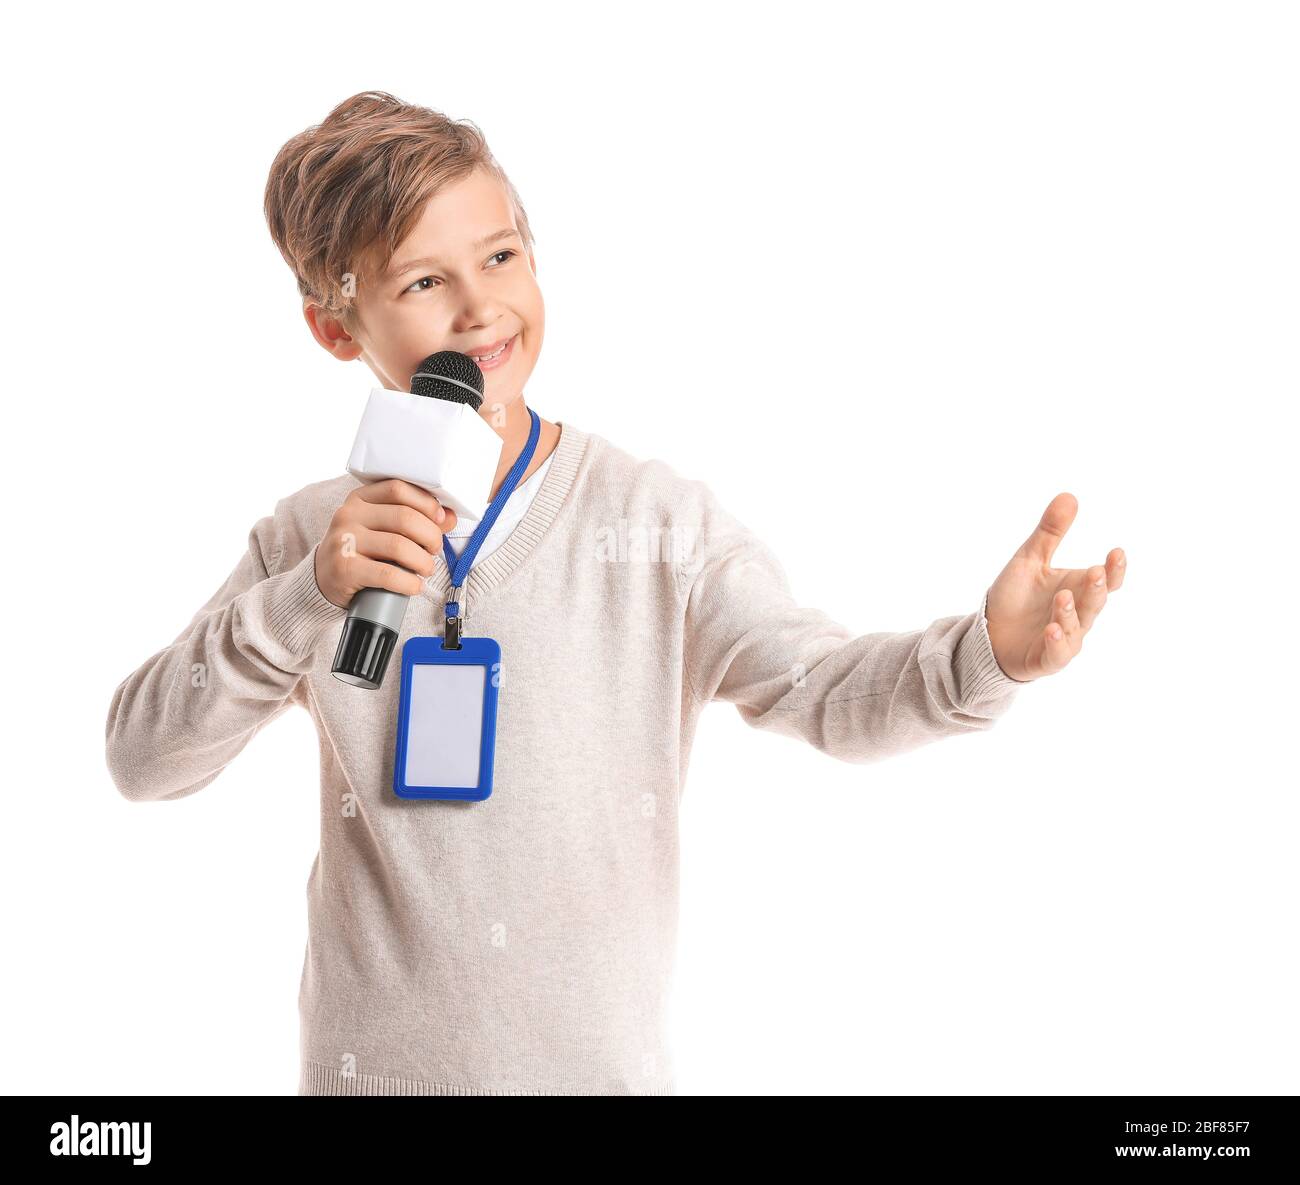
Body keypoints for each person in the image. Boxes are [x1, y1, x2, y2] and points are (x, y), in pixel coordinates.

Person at [105, 90, 1125, 1095]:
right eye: (423, 280)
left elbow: (825, 689)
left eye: (499, 256)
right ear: (337, 327)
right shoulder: (309, 542)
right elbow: (143, 760)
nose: (478, 307)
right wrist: (300, 600)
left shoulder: (654, 524)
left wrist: (982, 656)